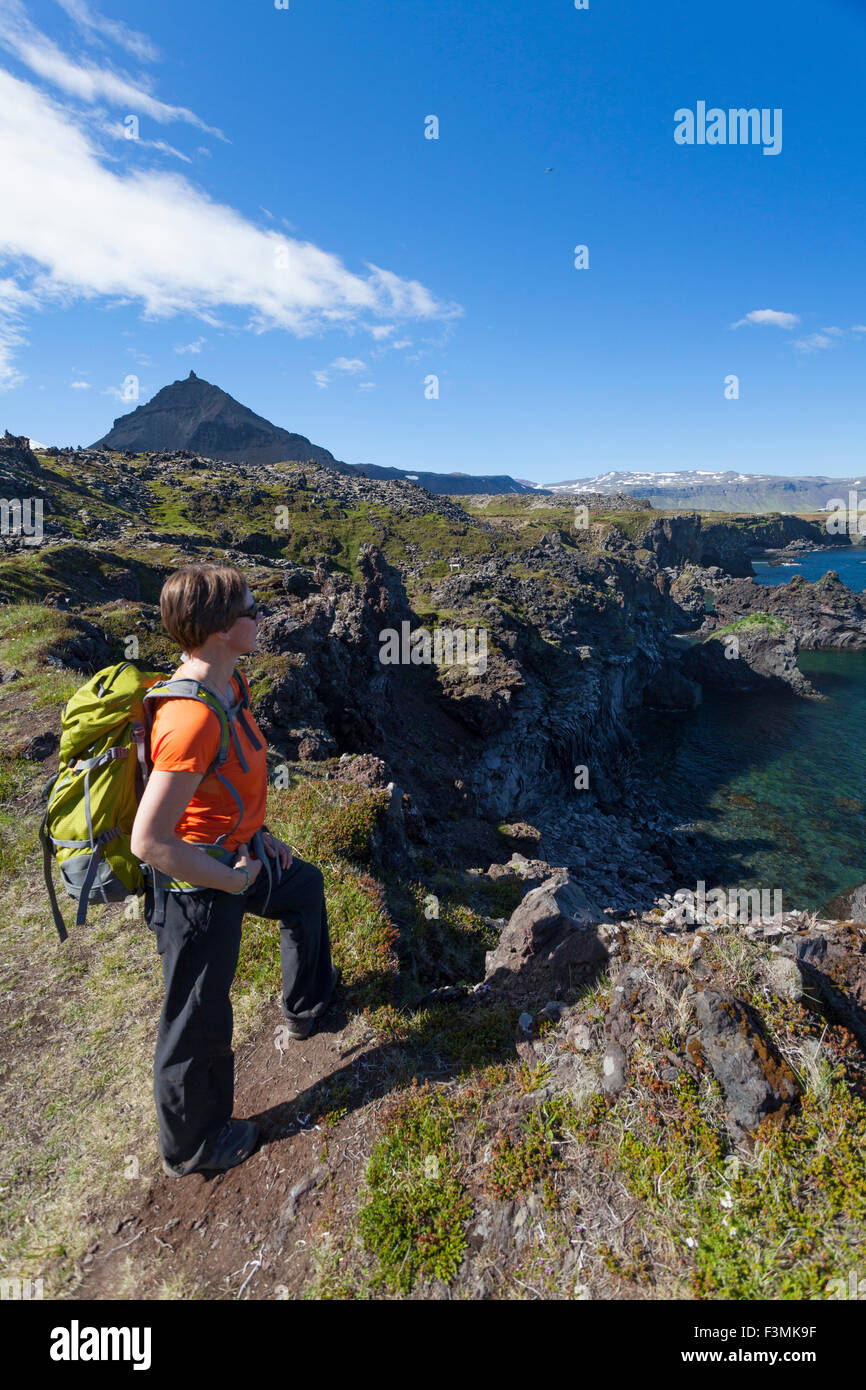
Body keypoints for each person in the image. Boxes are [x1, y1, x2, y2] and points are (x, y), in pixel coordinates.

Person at [130, 562, 337, 1178]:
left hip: (239, 855)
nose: (261, 617)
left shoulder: (232, 686)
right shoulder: (189, 718)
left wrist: (258, 836)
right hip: (196, 886)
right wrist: (230, 880)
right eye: (252, 609)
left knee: (304, 889)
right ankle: (194, 1145)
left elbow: (228, 781)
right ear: (221, 628)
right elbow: (150, 840)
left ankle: (308, 1007)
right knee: (197, 1015)